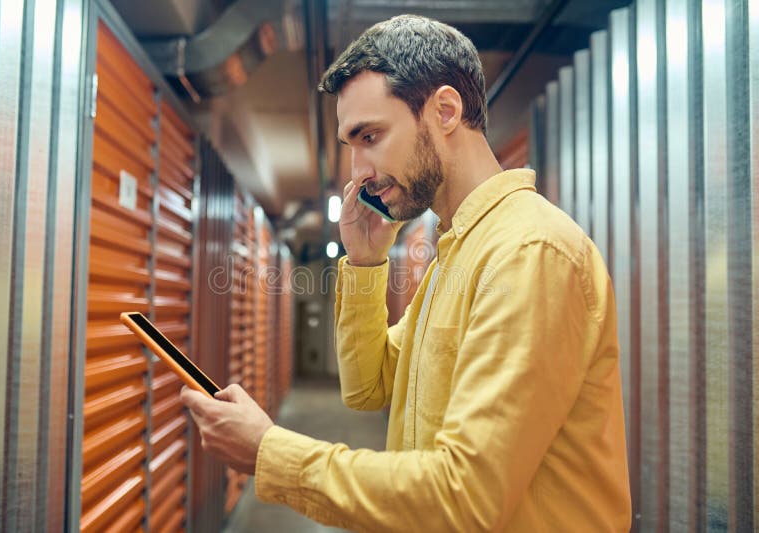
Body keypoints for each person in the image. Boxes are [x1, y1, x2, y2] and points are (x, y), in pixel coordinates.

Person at [181, 14, 632, 532]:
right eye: (351, 145)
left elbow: (465, 498)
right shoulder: (457, 253)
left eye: (369, 135)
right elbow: (368, 386)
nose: (358, 173)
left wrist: (271, 452)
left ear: (444, 110)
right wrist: (368, 264)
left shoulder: (529, 251)